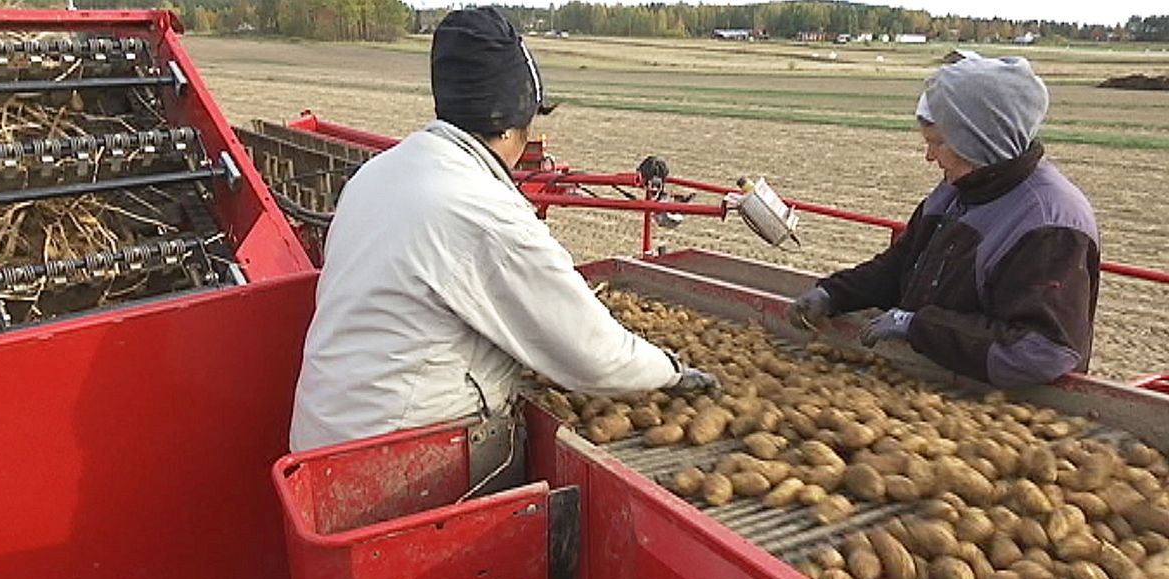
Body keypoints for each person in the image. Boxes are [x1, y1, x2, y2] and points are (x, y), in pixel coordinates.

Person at [290, 8, 718, 451]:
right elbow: (592, 353)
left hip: (321, 439)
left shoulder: (378, 173)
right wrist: (670, 371)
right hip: (389, 460)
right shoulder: (482, 208)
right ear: (515, 122)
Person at [788, 57, 1100, 389]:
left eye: (938, 143)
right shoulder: (958, 188)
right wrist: (834, 294)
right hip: (932, 382)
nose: (928, 156)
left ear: (980, 140)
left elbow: (1040, 350)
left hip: (1010, 402)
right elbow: (899, 268)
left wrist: (918, 327)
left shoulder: (1049, 225)